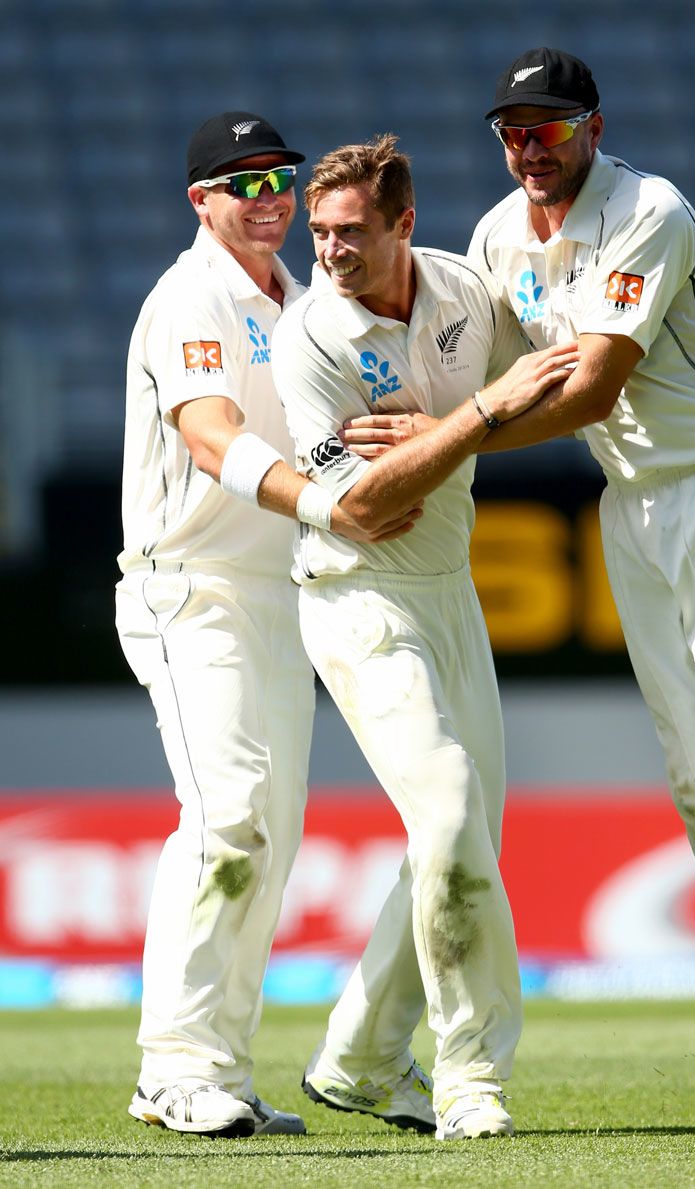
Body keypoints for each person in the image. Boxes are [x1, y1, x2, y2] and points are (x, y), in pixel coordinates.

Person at [345, 48, 695, 1134]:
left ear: (593, 125)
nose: (529, 148)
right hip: (632, 509)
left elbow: (590, 385)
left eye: (547, 127)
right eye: (511, 131)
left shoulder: (652, 210)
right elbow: (474, 370)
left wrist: (445, 442)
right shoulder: (498, 236)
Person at [115, 111, 418, 1138]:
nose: (270, 200)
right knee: (230, 816)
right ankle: (175, 1067)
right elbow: (212, 438)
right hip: (189, 586)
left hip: (279, 588)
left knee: (269, 836)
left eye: (280, 180)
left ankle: (220, 1069)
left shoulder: (300, 300)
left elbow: (314, 437)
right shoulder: (190, 294)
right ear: (200, 201)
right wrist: (332, 502)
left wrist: (366, 460)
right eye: (242, 185)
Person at [270, 134, 577, 1141]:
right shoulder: (310, 332)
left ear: (405, 224)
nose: (330, 252)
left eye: (351, 232)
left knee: (460, 836)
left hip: (450, 590)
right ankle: (469, 1076)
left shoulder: (462, 291)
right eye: (319, 233)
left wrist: (459, 427)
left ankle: (357, 1057)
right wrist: (477, 416)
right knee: (446, 808)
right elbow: (360, 504)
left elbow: (558, 398)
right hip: (358, 595)